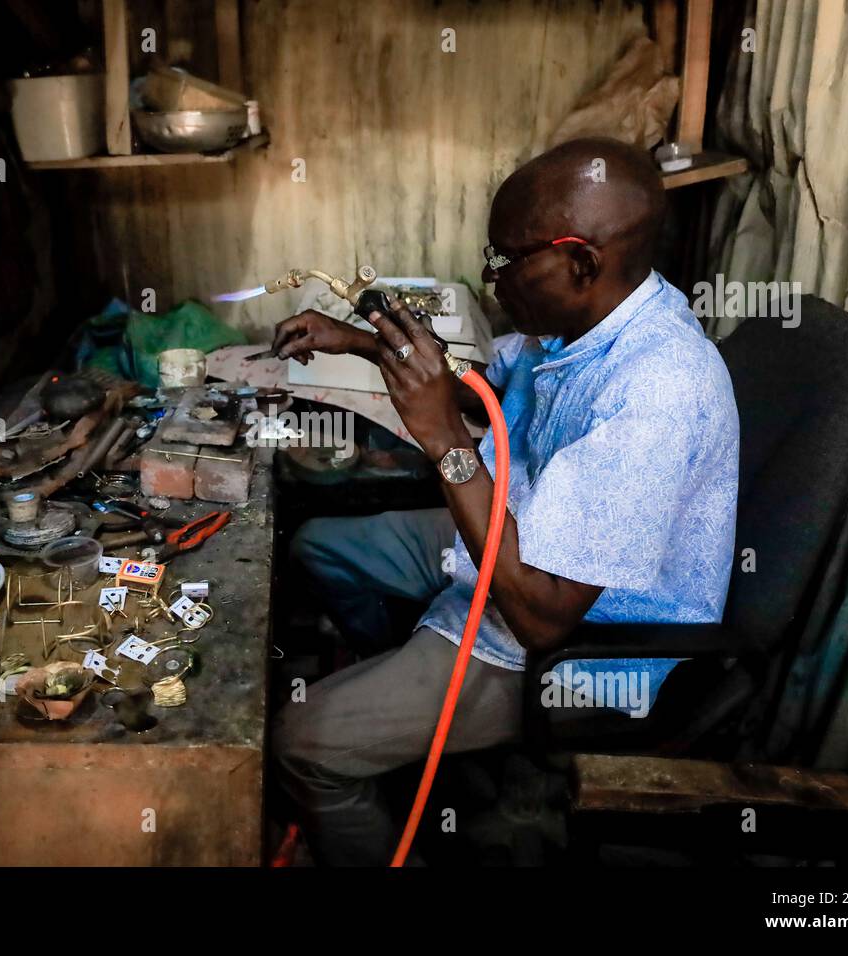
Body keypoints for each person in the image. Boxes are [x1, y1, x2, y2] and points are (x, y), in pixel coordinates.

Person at [269, 137, 740, 866]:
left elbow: (544, 618)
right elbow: (493, 383)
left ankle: (379, 751)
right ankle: (403, 712)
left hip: (577, 645)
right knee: (319, 549)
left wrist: (441, 437)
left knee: (303, 743)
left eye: (507, 262)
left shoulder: (660, 388)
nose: (492, 282)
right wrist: (361, 344)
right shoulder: (592, 319)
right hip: (517, 535)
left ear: (582, 262)